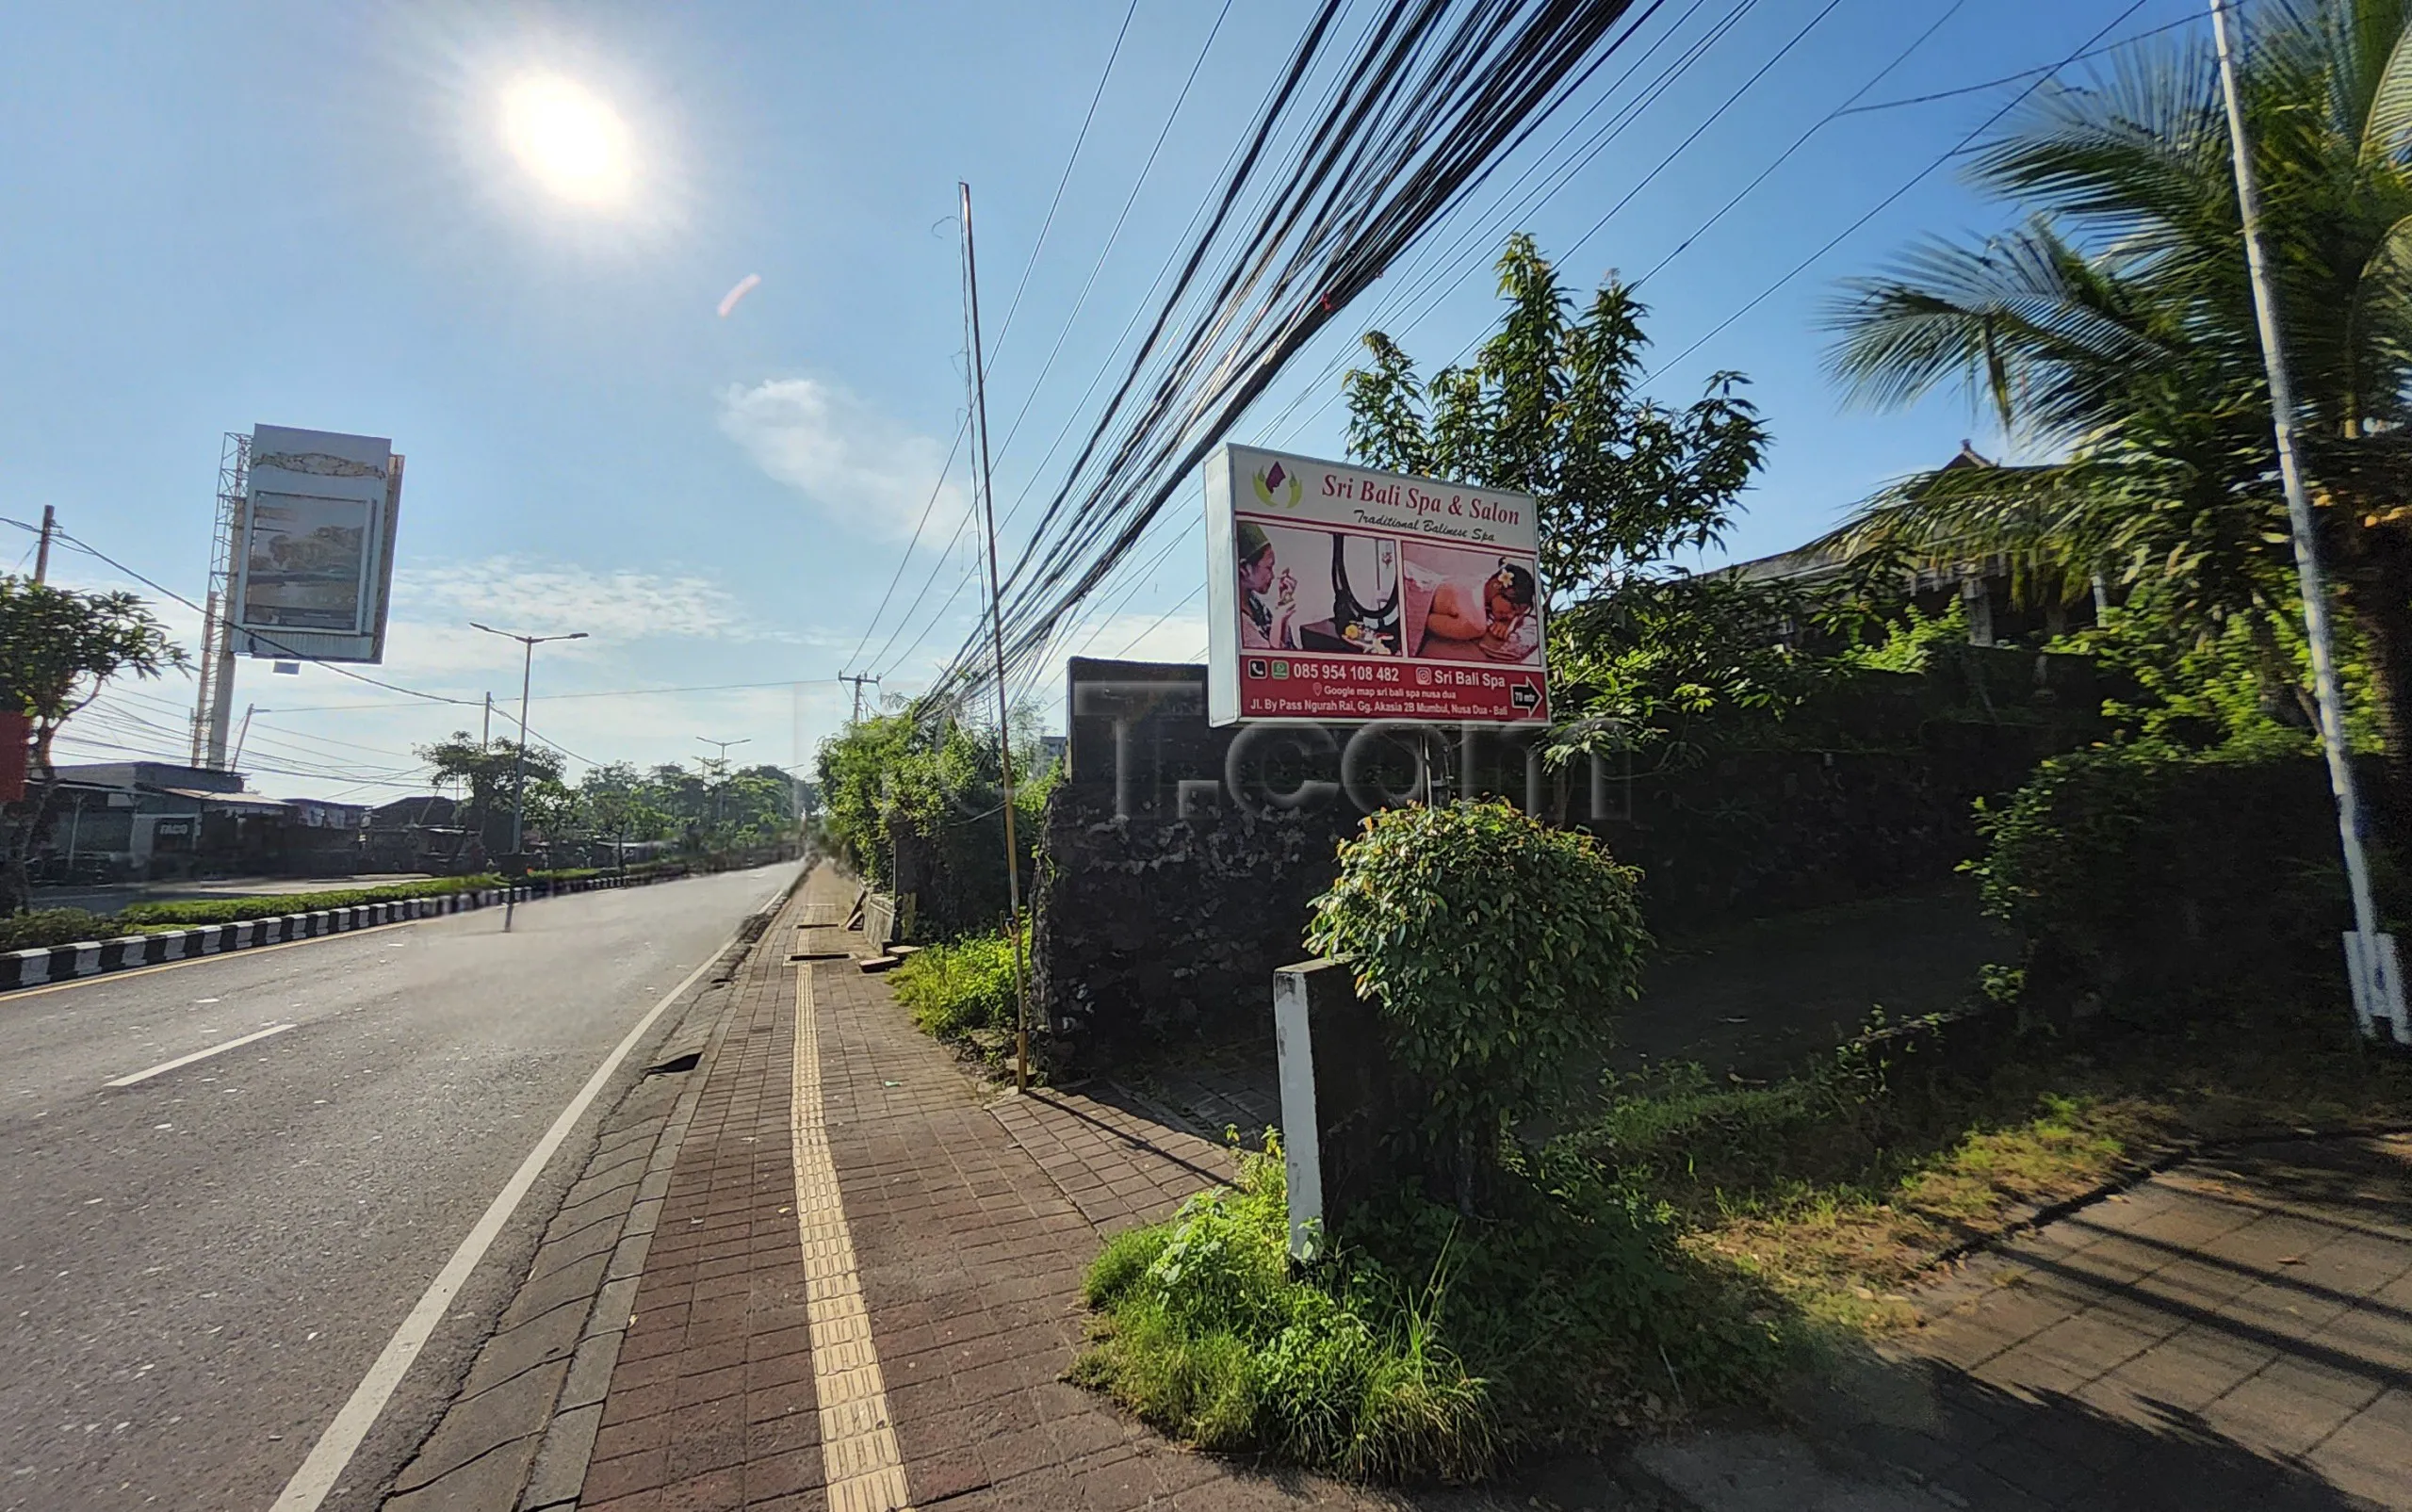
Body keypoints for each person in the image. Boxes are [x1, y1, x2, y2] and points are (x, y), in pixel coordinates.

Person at [1423, 559, 1538, 658]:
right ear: (1496, 585)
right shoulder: (1475, 624)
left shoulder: (1482, 583)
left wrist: (1510, 623)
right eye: (1512, 607)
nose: (1511, 616)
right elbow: (1427, 621)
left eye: (1517, 614)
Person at [1236, 520, 1296, 650]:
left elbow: (1284, 648)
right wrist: (1279, 618)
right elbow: (1272, 662)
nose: (1273, 576)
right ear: (1244, 569)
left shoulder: (1255, 603)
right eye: (1269, 567)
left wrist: (1282, 609)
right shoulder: (1239, 622)